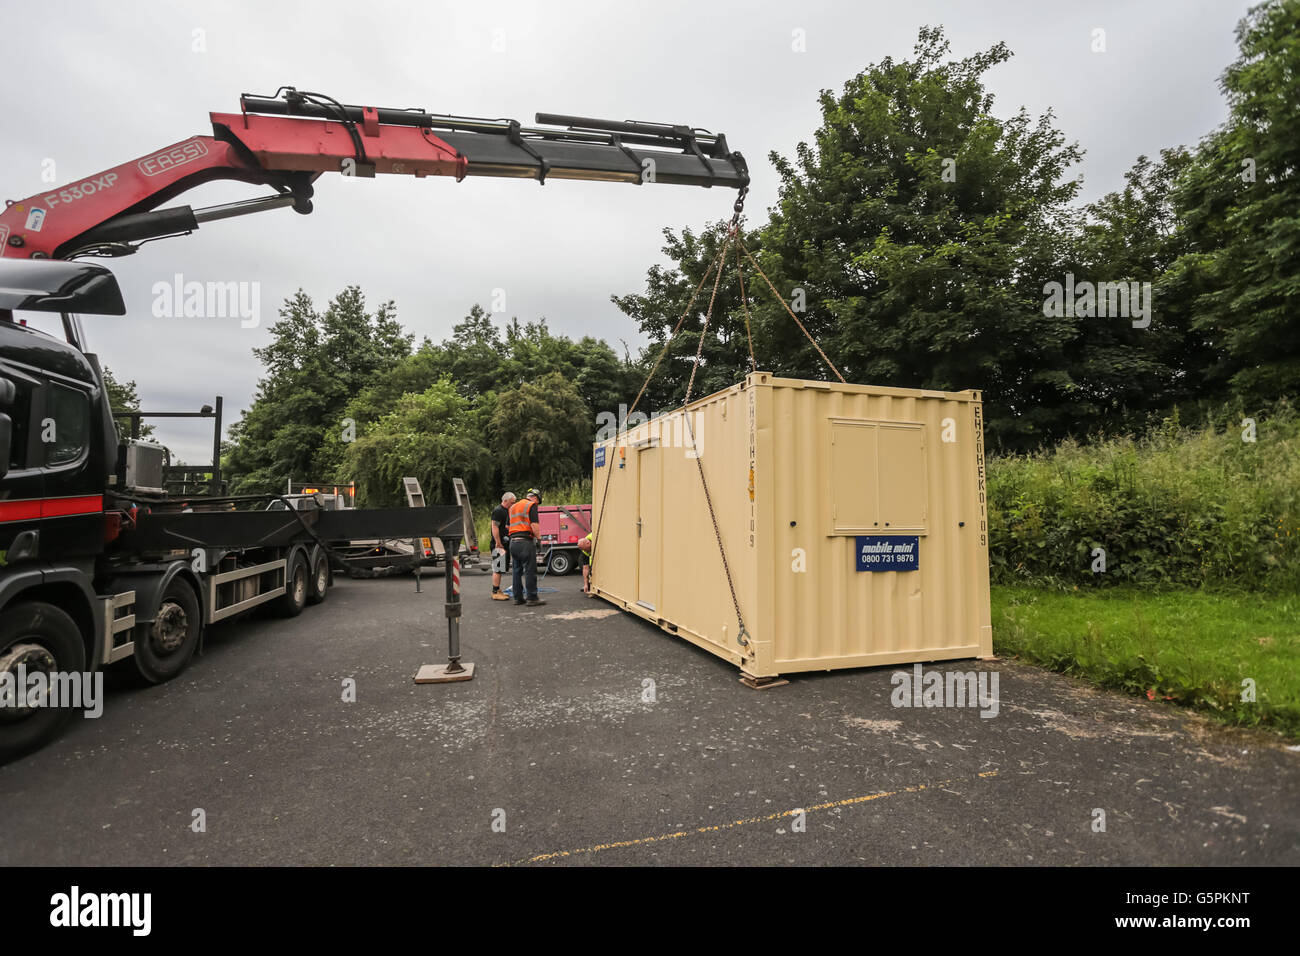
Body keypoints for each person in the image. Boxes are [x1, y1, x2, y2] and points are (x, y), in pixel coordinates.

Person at [507, 489, 546, 607]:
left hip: (513, 542)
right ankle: (532, 598)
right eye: (538, 502)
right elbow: (534, 525)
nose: (537, 505)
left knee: (516, 571)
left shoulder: (513, 507)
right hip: (525, 542)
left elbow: (508, 525)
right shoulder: (531, 505)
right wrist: (539, 540)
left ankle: (518, 598)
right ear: (536, 498)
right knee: (530, 570)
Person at [489, 491, 516, 600]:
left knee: (502, 568)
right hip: (499, 545)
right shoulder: (498, 511)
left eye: (514, 502)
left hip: (505, 543)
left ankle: (498, 589)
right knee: (498, 569)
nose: (513, 504)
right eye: (511, 502)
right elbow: (494, 527)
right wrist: (498, 543)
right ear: (505, 501)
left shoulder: (508, 510)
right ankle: (495, 592)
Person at [578, 531, 595, 597]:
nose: (586, 551)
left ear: (588, 543)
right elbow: (585, 568)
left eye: (586, 549)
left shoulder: (594, 537)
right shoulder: (584, 550)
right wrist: (585, 584)